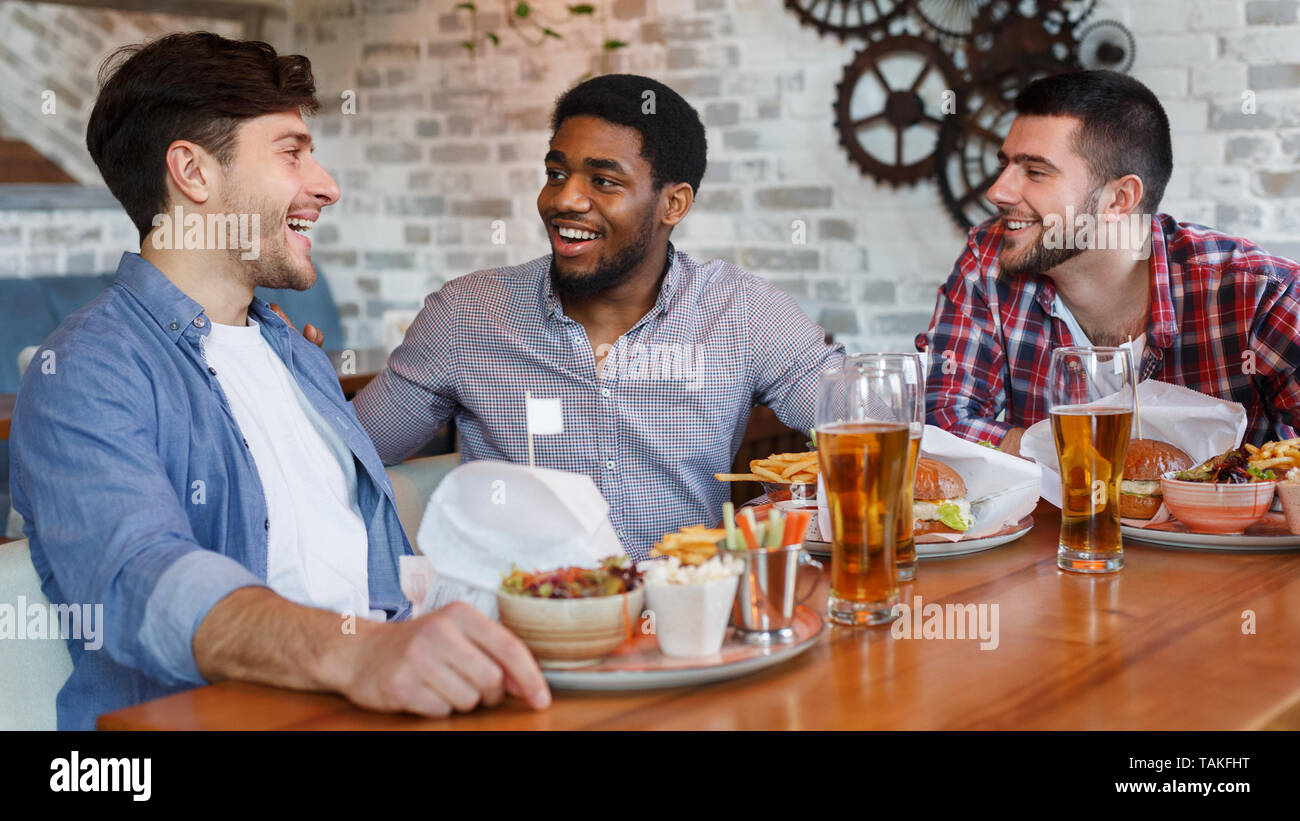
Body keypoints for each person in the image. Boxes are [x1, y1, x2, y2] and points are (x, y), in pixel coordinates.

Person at [10, 32, 548, 731]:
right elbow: (143, 581)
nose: (326, 185)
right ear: (193, 173)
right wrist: (363, 656)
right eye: (291, 152)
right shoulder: (87, 371)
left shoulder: (292, 353)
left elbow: (365, 571)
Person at [351, 74, 844, 559]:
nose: (564, 200)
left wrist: (772, 520)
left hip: (684, 622)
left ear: (673, 203)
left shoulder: (741, 313)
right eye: (556, 174)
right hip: (526, 624)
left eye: (604, 181)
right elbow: (343, 455)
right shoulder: (467, 316)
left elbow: (867, 431)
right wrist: (292, 373)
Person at [917, 70, 1300, 455]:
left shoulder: (1261, 293)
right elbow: (939, 418)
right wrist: (1082, 452)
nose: (997, 190)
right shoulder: (992, 256)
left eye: (1034, 171)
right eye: (1005, 165)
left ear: (1119, 199)